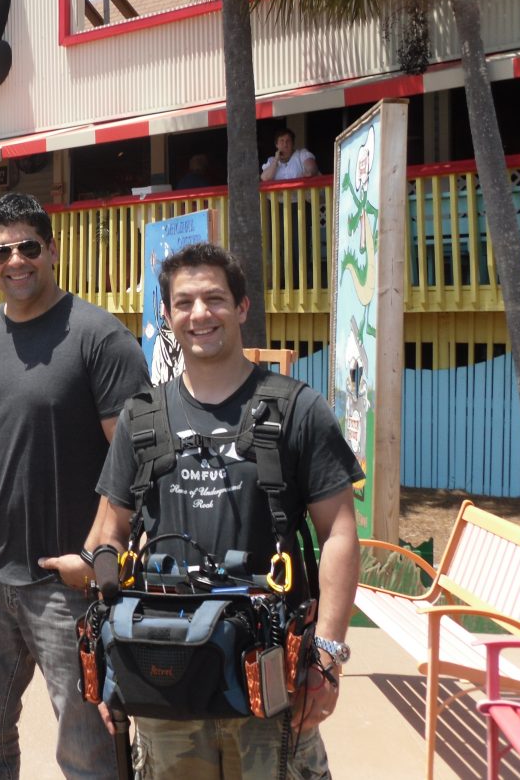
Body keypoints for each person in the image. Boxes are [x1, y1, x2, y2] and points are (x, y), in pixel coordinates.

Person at [95, 243, 362, 778]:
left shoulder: (296, 409)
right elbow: (109, 531)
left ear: (242, 307)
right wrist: (110, 659)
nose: (200, 314)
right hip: (164, 675)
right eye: (184, 302)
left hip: (269, 675)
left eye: (215, 298)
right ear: (167, 314)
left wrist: (328, 655)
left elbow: (338, 532)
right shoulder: (141, 418)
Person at [0, 192, 149, 779]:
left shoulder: (100, 337)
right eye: (1, 251)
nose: (16, 260)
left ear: (53, 251)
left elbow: (136, 458)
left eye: (28, 247)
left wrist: (96, 555)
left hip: (71, 587)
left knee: (91, 755)